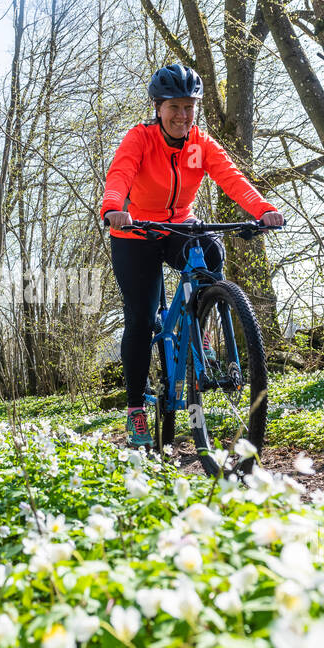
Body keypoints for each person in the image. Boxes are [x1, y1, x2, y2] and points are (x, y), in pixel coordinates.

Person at [100, 64, 284, 447]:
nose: (183, 116)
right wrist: (114, 206)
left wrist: (261, 208)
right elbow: (119, 173)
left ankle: (199, 330)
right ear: (158, 107)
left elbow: (231, 178)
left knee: (212, 250)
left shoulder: (201, 145)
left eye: (190, 107)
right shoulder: (140, 139)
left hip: (179, 226)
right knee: (139, 316)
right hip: (134, 231)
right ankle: (135, 409)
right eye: (175, 107)